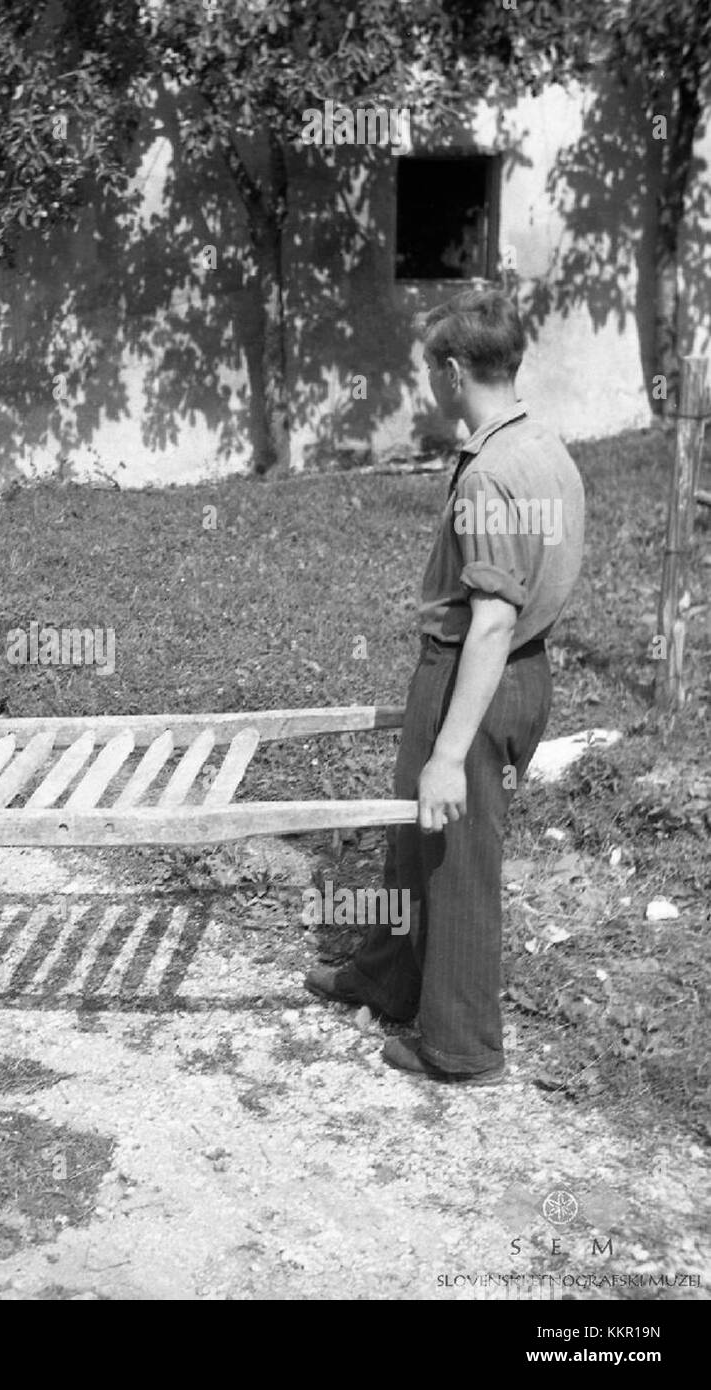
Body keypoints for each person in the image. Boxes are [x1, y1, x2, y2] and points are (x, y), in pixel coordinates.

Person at [304, 289, 585, 1085]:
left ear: (454, 371)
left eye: (432, 369)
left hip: (477, 674)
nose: (432, 384)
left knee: (454, 860)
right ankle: (389, 976)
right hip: (515, 671)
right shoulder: (545, 450)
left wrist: (449, 752)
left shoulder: (489, 474)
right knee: (413, 834)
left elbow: (493, 619)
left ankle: (461, 1047)